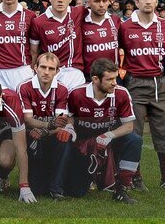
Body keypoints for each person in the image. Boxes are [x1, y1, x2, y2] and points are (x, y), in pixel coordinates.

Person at [118, 0, 165, 191]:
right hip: (135, 83)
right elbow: (117, 54)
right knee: (134, 134)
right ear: (136, 2)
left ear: (156, 1)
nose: (147, 1)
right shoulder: (125, 26)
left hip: (161, 83)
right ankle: (135, 178)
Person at [59, 58, 142, 204]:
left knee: (134, 140)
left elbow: (129, 126)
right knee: (77, 192)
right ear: (96, 79)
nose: (115, 83)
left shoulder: (121, 93)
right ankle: (90, 179)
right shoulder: (77, 93)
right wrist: (70, 128)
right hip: (83, 143)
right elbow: (70, 117)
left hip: (109, 139)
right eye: (109, 79)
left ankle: (122, 187)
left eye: (115, 78)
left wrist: (110, 135)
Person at [18, 52, 70, 199]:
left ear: (57, 71)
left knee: (64, 138)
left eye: (51, 69)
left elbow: (61, 123)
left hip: (49, 134)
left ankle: (56, 187)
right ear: (35, 68)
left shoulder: (62, 89)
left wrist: (47, 131)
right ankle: (33, 180)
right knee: (37, 188)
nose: (46, 72)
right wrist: (48, 125)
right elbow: (27, 120)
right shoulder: (24, 87)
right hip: (31, 134)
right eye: (43, 67)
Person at [29, 0, 86, 90]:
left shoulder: (78, 12)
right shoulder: (39, 22)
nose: (60, 0)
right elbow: (34, 52)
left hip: (75, 72)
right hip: (51, 72)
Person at [80, 0, 120, 78]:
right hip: (89, 77)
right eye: (97, 1)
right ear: (89, 2)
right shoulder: (81, 23)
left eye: (104, 1)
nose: (101, 4)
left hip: (112, 76)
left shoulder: (116, 20)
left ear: (109, 2)